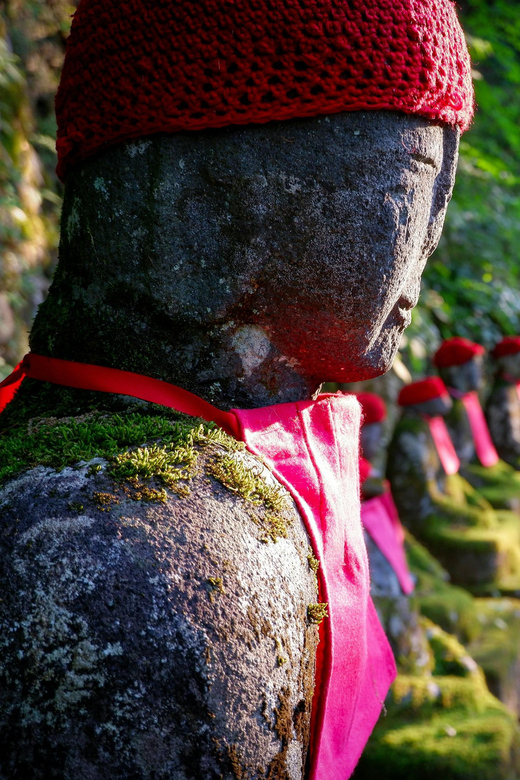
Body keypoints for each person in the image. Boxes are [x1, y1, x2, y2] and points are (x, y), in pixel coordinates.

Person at [0, 1, 473, 777]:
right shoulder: (126, 567)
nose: (427, 240)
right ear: (193, 212)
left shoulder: (199, 489)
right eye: (407, 183)